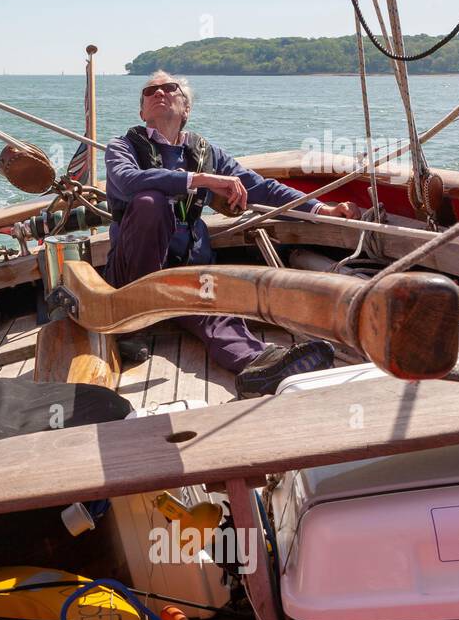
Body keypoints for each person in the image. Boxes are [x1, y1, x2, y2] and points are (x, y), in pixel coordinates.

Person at [105, 71, 361, 396]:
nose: (160, 92)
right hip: (131, 277)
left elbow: (261, 189)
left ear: (186, 109)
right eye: (150, 90)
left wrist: (320, 209)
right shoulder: (122, 147)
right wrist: (202, 180)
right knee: (149, 202)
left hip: (185, 273)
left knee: (217, 316)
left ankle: (262, 365)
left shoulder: (205, 152)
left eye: (170, 88)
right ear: (142, 112)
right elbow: (127, 181)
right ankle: (134, 324)